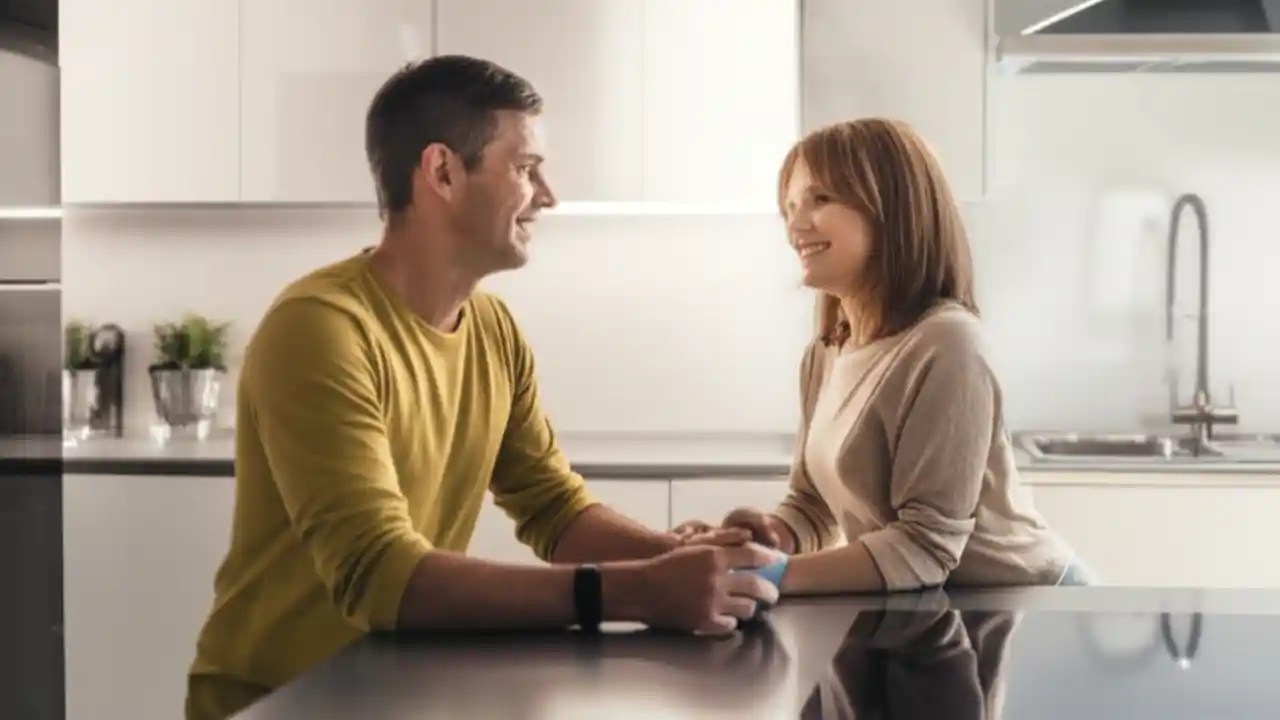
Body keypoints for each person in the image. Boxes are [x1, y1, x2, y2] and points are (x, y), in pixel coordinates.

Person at [185, 54, 777, 720]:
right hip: (281, 702)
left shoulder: (492, 328)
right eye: (525, 168)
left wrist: (691, 560)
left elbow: (553, 508)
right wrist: (636, 590)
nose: (547, 196)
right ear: (442, 171)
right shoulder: (321, 329)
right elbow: (378, 575)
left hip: (391, 692)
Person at [674, 118, 1090, 594]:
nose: (795, 226)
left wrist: (767, 576)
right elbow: (813, 506)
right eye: (789, 207)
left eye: (819, 199)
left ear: (891, 209)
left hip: (1030, 608)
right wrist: (764, 541)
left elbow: (925, 547)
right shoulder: (827, 351)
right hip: (936, 610)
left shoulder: (948, 346)